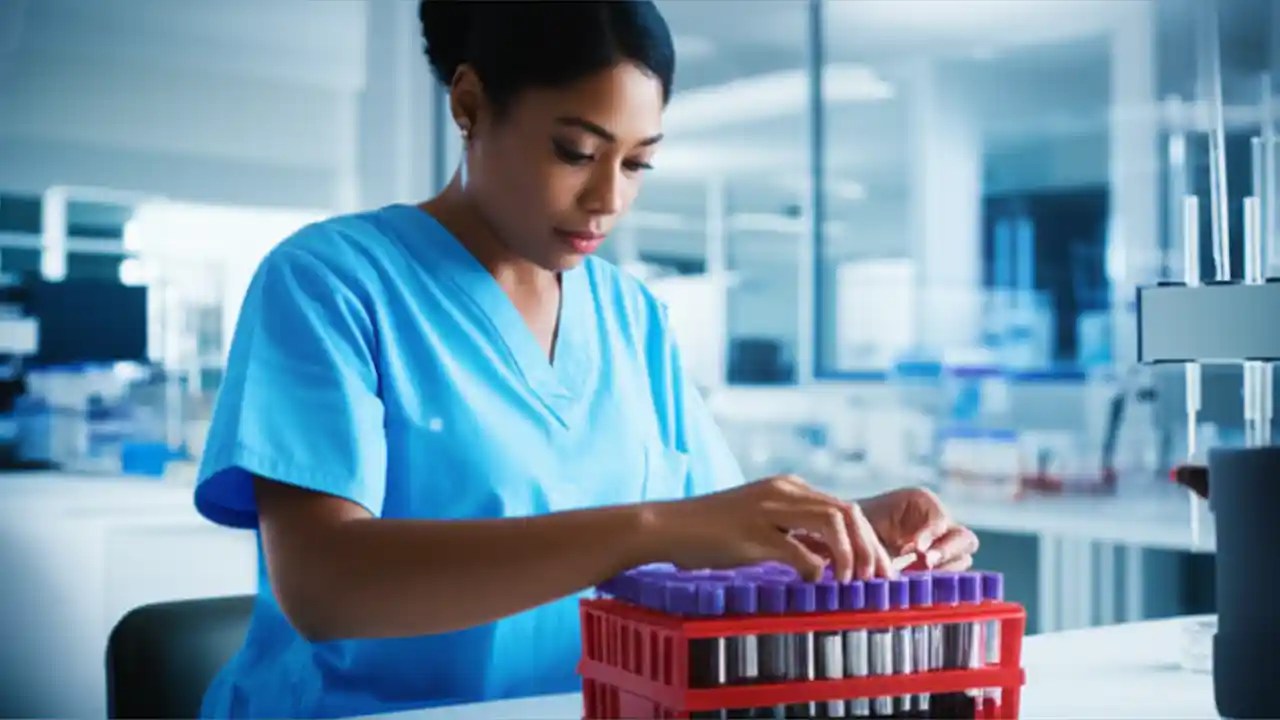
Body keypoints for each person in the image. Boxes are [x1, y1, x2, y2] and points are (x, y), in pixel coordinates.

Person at [192, 1, 979, 717]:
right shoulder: (332, 282)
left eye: (637, 164)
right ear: (469, 105)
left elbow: (704, 549)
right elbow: (328, 586)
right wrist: (642, 530)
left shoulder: (630, 317)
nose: (609, 200)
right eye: (576, 152)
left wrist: (845, 529)